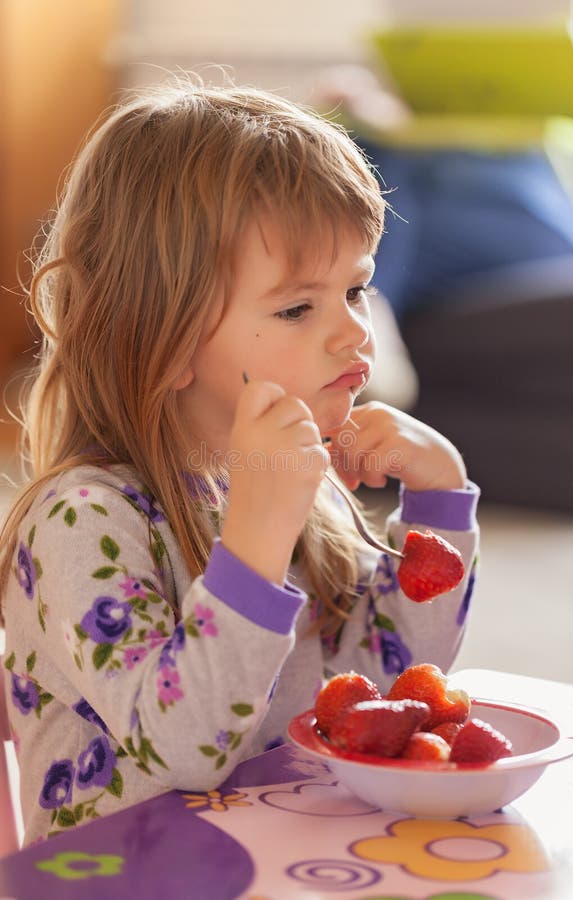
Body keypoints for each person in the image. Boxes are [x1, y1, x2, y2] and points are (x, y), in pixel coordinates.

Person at [0, 75, 479, 845]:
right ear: (158, 335)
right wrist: (254, 540)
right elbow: (186, 747)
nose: (355, 335)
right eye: (297, 306)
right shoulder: (82, 520)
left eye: (356, 291)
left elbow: (382, 693)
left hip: (281, 856)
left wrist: (440, 507)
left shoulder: (295, 486)